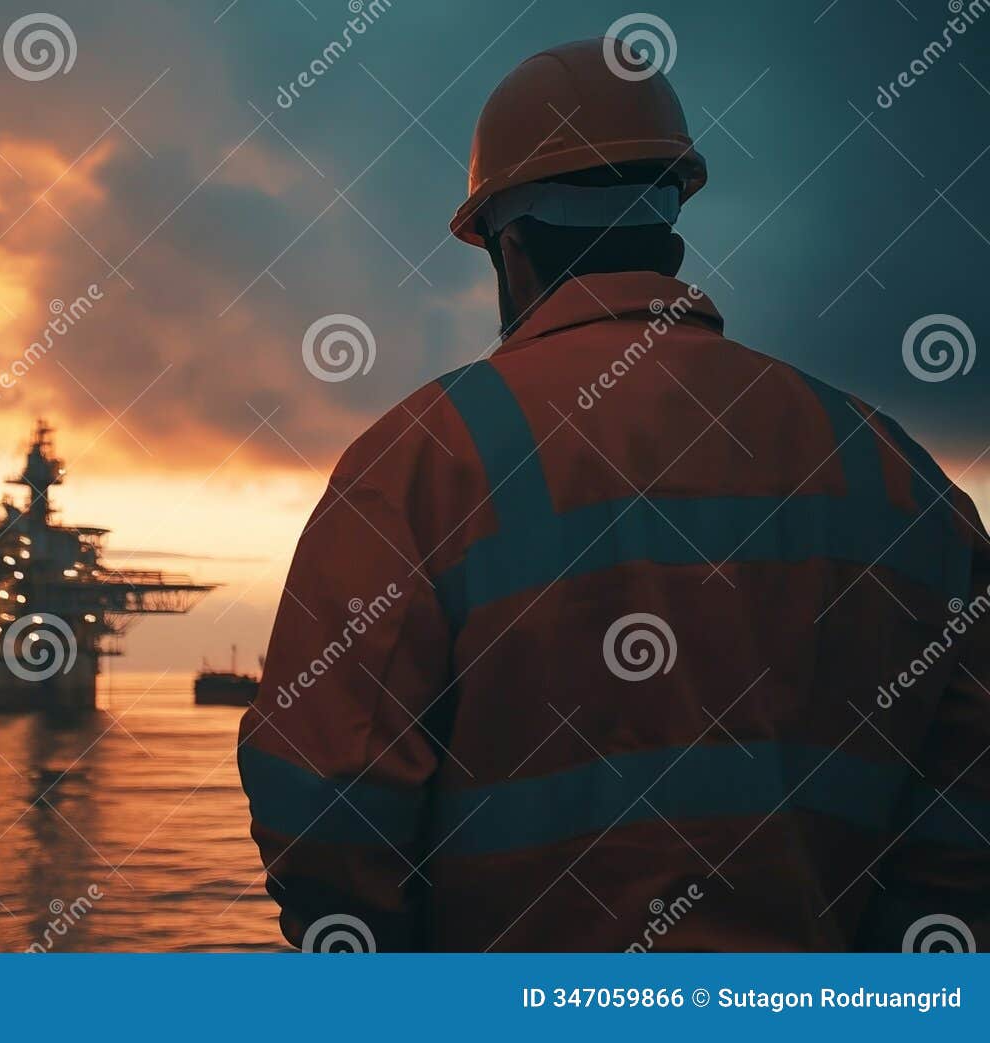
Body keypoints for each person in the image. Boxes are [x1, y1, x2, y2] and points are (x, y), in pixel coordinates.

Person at [238, 38, 990, 952]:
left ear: (508, 248)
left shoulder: (418, 465)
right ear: (670, 231)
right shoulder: (898, 474)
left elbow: (324, 802)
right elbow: (966, 829)